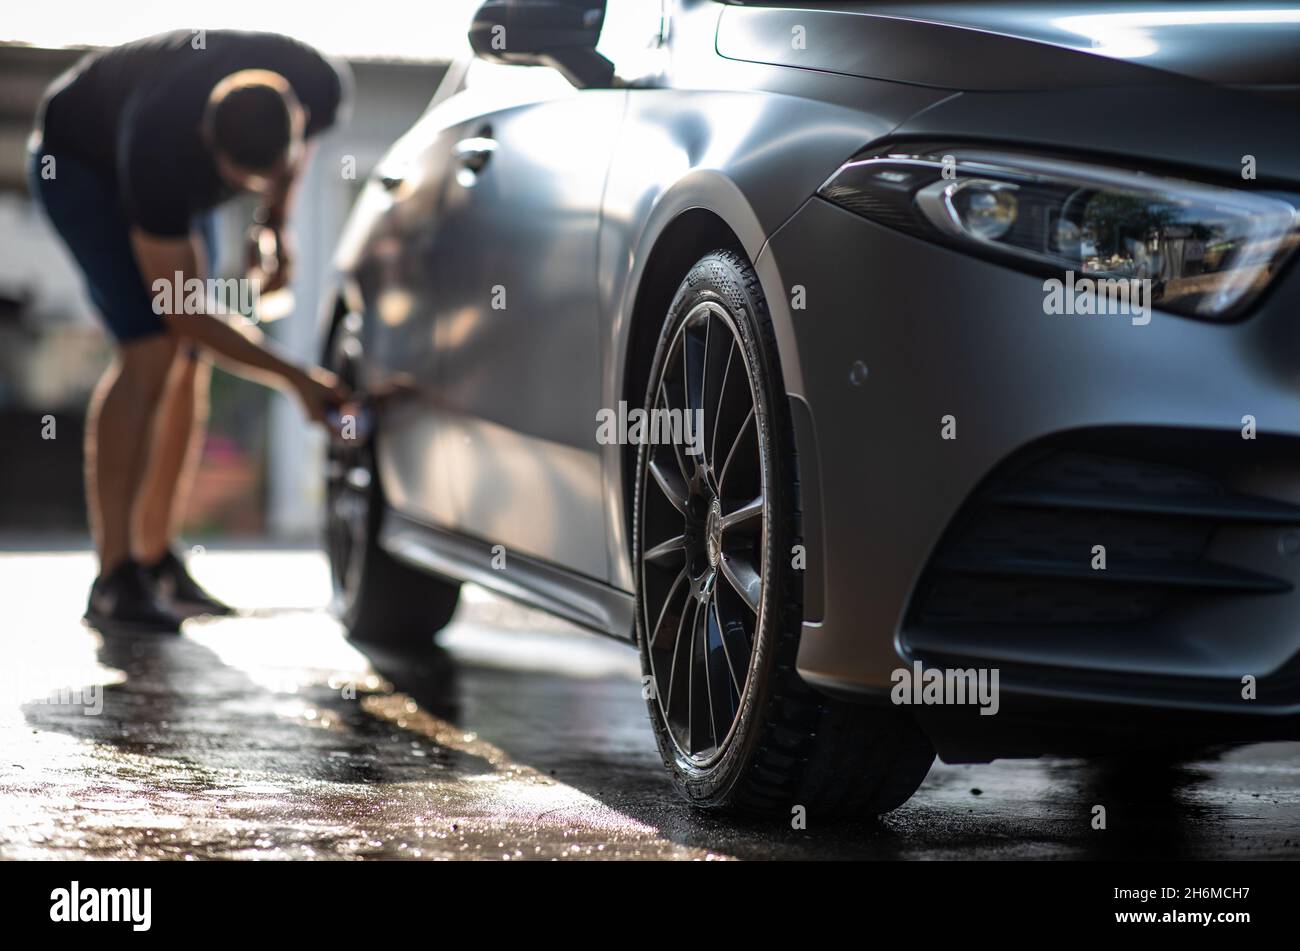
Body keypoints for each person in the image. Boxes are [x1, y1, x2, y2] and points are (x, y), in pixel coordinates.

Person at [29, 30, 353, 635]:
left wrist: (275, 224)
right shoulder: (158, 149)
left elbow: (298, 149)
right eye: (242, 181)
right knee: (153, 346)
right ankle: (115, 578)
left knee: (188, 360)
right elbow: (184, 312)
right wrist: (297, 379)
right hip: (79, 163)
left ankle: (156, 558)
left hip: (180, 162)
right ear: (208, 142)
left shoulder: (317, 82)